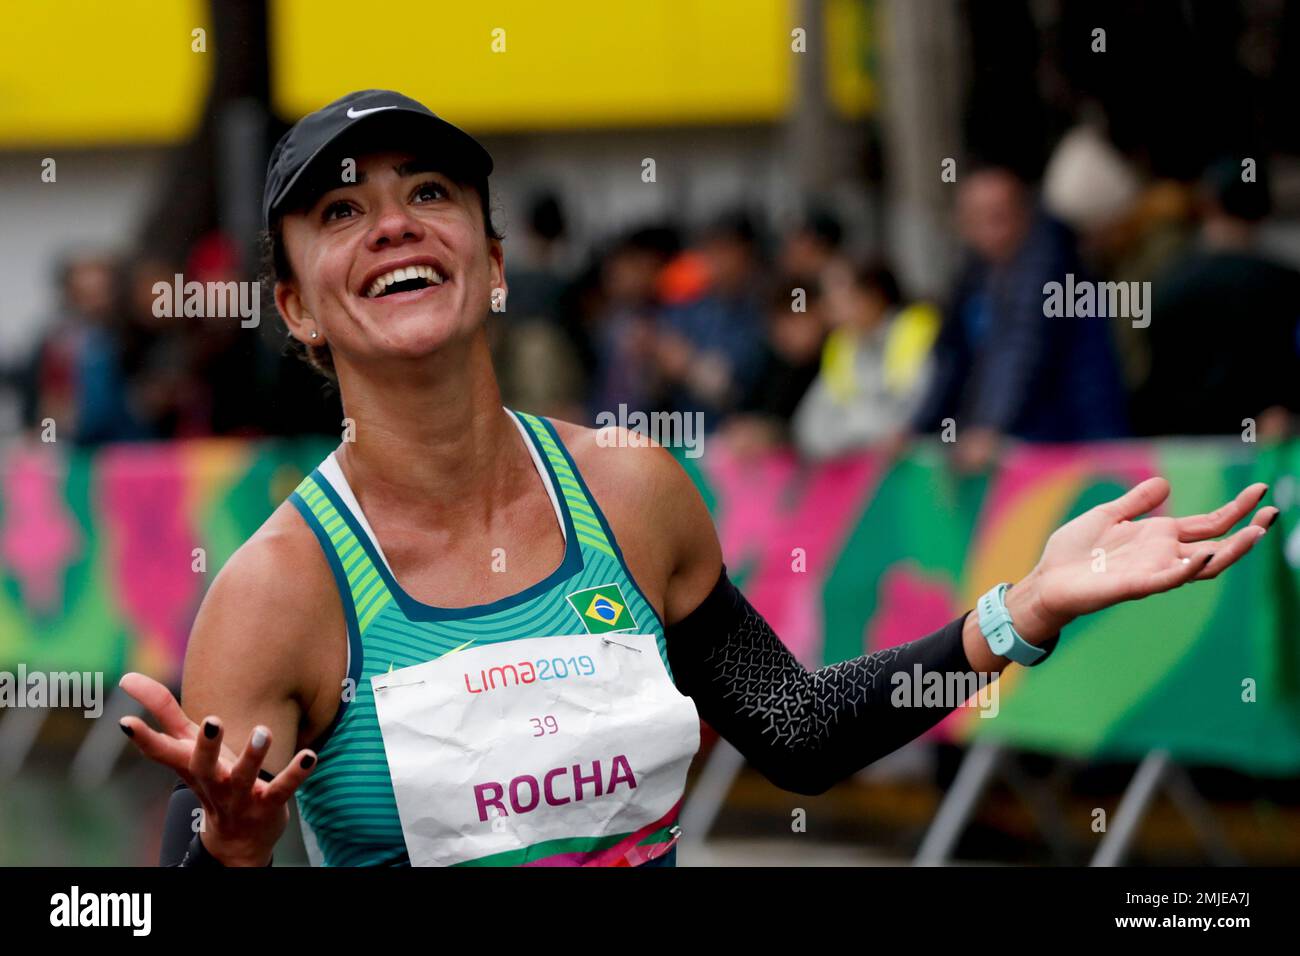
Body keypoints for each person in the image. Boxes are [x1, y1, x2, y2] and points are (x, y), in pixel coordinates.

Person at [118, 90, 1277, 868]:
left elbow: (800, 732)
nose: (394, 226)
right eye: (340, 211)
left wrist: (1014, 614)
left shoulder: (631, 490)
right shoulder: (280, 592)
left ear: (494, 259)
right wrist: (228, 851)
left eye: (428, 193)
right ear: (296, 306)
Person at [908, 166, 1129, 471]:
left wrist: (991, 427)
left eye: (999, 217)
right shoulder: (976, 277)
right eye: (976, 220)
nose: (990, 232)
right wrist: (917, 428)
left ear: (1024, 214)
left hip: (1071, 447)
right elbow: (952, 360)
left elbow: (1022, 348)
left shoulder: (1050, 270)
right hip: (1026, 447)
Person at [793, 261, 938, 461]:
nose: (827, 309)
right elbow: (809, 429)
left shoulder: (915, 333)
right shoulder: (841, 346)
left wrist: (852, 429)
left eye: (837, 299)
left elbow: (913, 417)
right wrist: (855, 439)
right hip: (861, 473)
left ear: (872, 297)